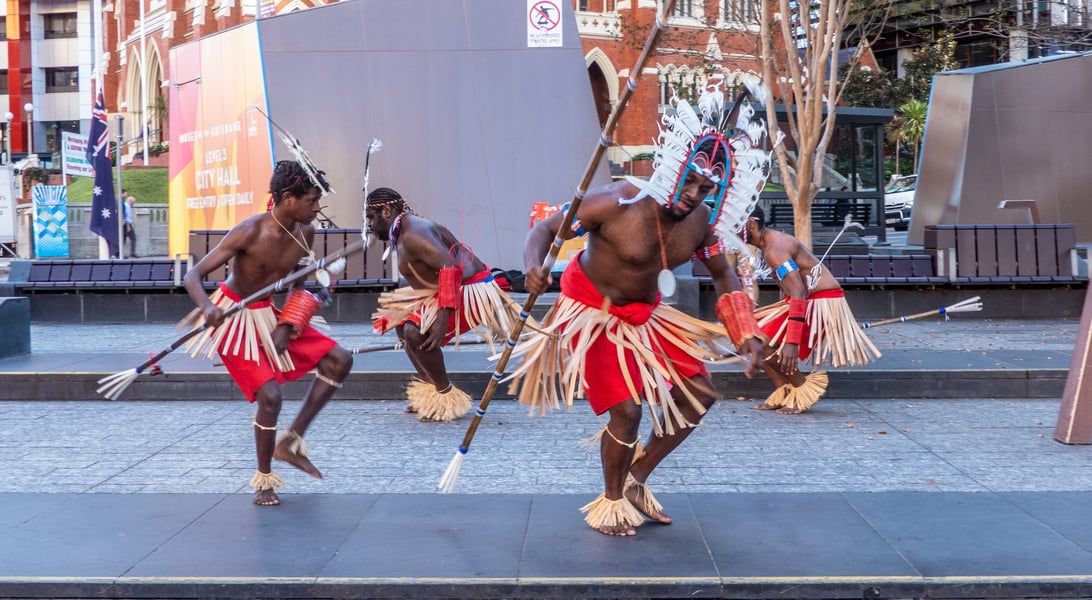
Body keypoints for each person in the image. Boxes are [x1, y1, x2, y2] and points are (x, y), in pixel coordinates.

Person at [507, 85, 769, 537]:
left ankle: (636, 477)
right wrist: (533, 268)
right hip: (592, 311)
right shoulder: (615, 201)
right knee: (626, 411)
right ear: (672, 168)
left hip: (646, 315)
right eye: (689, 180)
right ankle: (610, 503)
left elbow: (724, 275)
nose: (693, 193)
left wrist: (745, 331)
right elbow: (546, 230)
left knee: (699, 394)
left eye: (707, 188)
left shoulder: (700, 223)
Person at [181, 160, 353, 506]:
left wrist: (289, 325)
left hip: (272, 313)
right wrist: (209, 307)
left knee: (339, 360)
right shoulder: (249, 231)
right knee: (270, 398)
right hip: (232, 318)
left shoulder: (306, 232)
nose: (317, 209)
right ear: (288, 198)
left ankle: (291, 442)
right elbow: (193, 276)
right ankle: (264, 480)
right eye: (311, 201)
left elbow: (300, 284)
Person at [365, 187, 523, 422]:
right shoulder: (407, 228)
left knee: (415, 332)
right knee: (401, 324)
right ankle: (429, 393)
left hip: (470, 290)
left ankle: (445, 397)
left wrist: (441, 318)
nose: (369, 225)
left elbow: (451, 269)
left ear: (386, 211)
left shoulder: (413, 234)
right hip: (448, 290)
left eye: (370, 217)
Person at [743, 206, 882, 414]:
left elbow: (799, 292)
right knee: (751, 333)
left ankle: (801, 389)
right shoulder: (770, 245)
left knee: (761, 337)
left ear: (751, 224)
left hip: (821, 303)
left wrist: (791, 341)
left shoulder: (774, 249)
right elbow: (790, 288)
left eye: (734, 226)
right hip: (807, 300)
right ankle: (784, 390)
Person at [122, 190, 138, 258]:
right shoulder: (127, 206)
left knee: (123, 240)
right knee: (133, 238)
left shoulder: (124, 204)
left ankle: (120, 254)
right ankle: (132, 253)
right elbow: (126, 216)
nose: (133, 204)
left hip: (123, 224)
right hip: (127, 224)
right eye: (133, 203)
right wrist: (128, 226)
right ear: (131, 201)